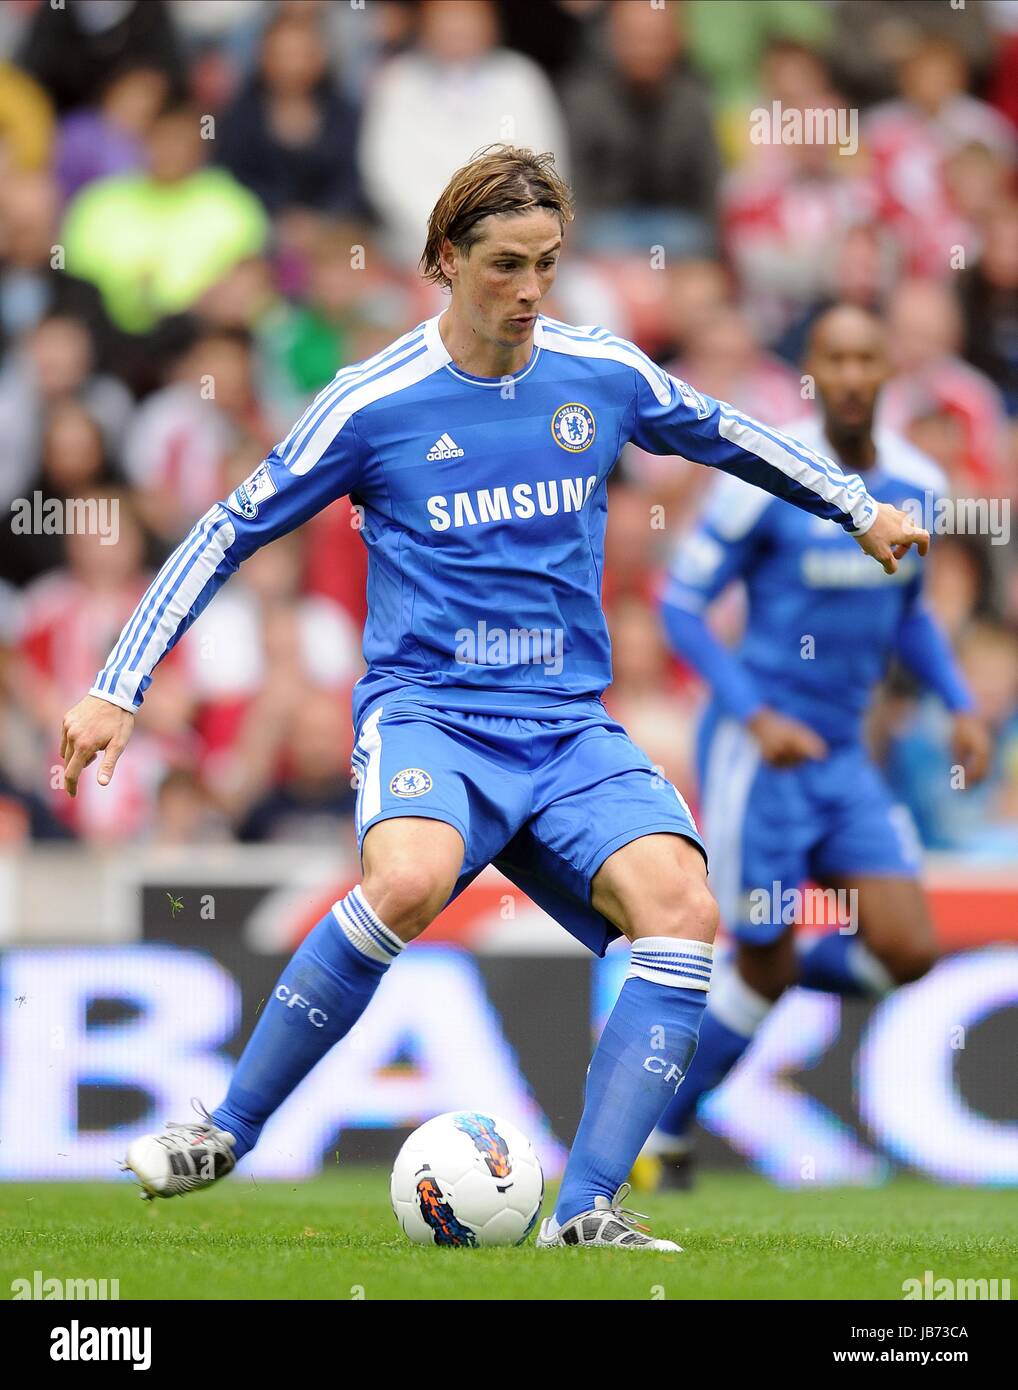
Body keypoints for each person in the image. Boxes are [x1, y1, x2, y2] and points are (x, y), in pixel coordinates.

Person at [60, 147, 927, 1252]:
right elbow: (232, 526)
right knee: (407, 879)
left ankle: (588, 1212)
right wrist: (117, 685)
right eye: (505, 266)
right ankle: (224, 1130)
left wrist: (855, 505)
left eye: (547, 267)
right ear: (443, 261)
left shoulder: (596, 370)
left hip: (567, 727)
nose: (527, 293)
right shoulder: (372, 404)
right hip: (433, 713)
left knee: (683, 910)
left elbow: (722, 429)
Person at [642, 305, 989, 1187]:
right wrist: (757, 715)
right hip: (761, 756)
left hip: (843, 755)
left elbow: (907, 613)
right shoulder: (764, 472)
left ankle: (714, 1059)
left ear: (886, 374)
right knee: (760, 953)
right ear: (812, 372)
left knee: (905, 949)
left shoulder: (917, 484)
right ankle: (663, 1129)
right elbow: (680, 608)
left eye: (866, 357)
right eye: (832, 358)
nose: (848, 374)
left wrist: (959, 705)